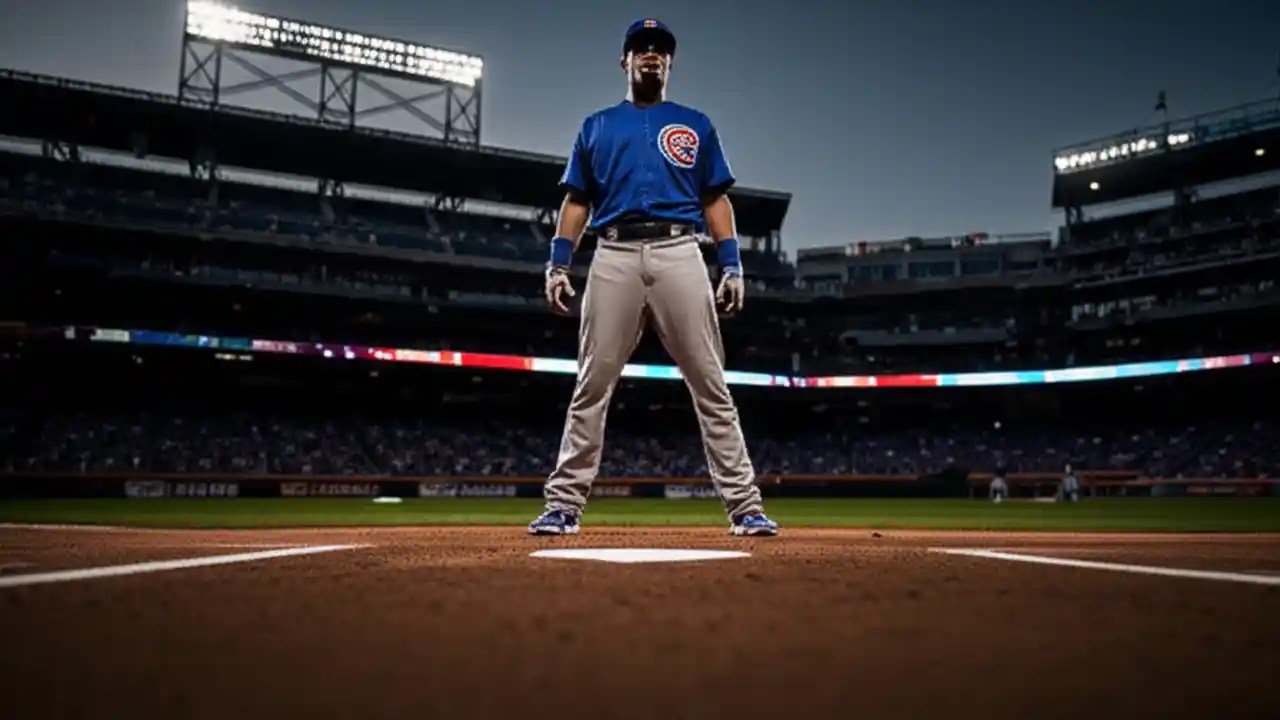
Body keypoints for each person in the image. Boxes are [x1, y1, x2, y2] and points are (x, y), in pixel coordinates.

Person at [527, 19, 778, 537]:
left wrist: (731, 263)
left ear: (670, 62)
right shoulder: (596, 126)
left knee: (710, 382)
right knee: (592, 383)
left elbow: (715, 198)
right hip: (613, 253)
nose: (650, 55)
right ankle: (563, 505)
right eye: (640, 48)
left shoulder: (695, 124)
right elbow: (576, 200)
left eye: (660, 50)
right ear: (624, 61)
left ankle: (746, 506)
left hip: (679, 250)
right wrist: (558, 262)